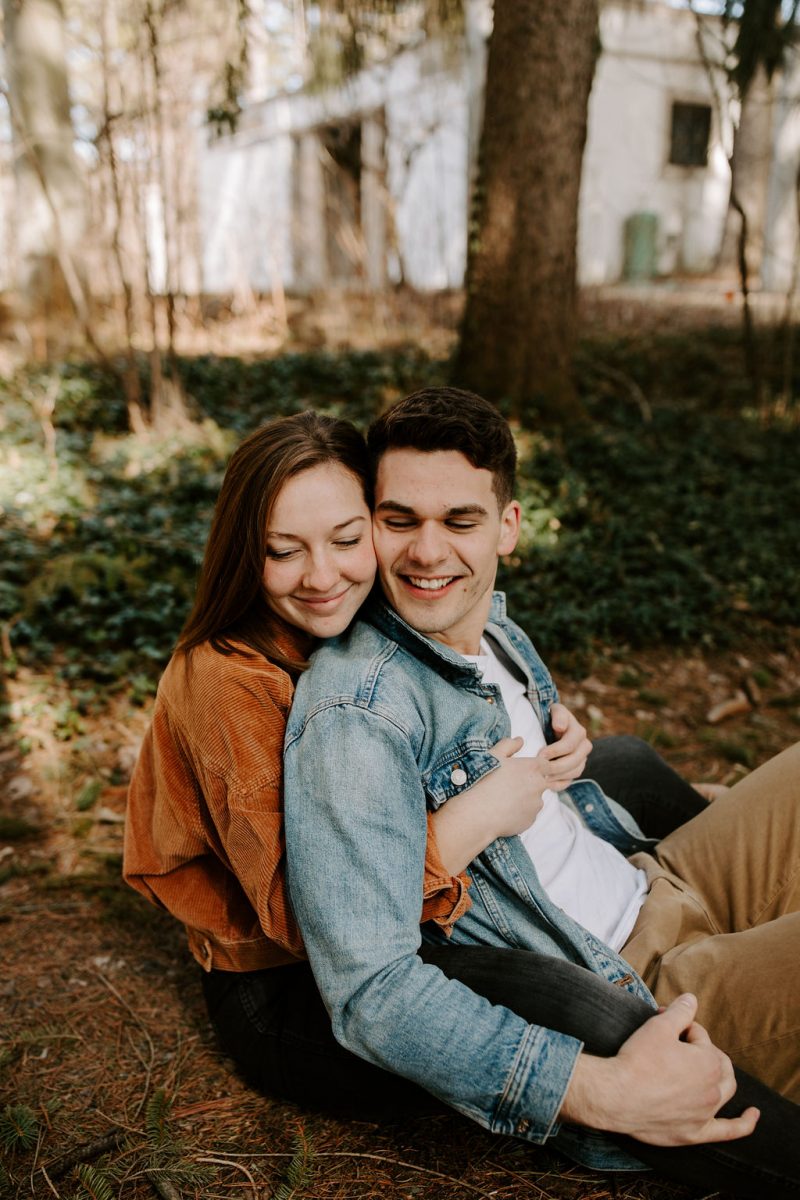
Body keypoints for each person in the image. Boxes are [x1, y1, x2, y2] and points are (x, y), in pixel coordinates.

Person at [283, 388, 800, 1197]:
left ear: (508, 528)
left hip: (655, 873)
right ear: (368, 521)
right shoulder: (359, 712)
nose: (426, 552)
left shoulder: (492, 628)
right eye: (399, 520)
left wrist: (566, 747)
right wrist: (589, 1087)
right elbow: (370, 993)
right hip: (641, 974)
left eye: (459, 521)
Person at [123, 409, 699, 1124]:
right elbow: (314, 920)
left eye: (346, 537)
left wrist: (534, 719)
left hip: (375, 891)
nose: (323, 574)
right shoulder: (227, 683)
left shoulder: (344, 613)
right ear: (246, 553)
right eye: (283, 550)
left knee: (625, 763)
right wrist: (472, 817)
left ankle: (713, 876)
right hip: (288, 983)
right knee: (556, 1014)